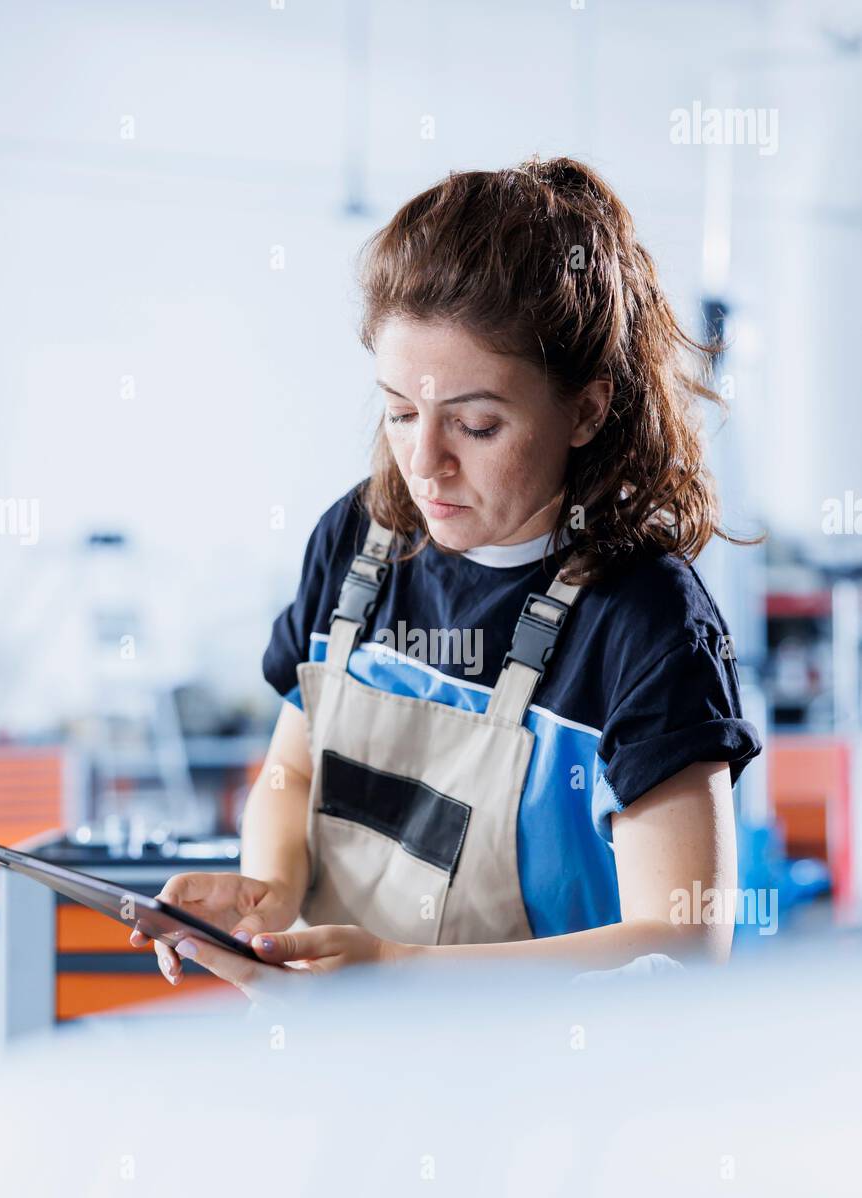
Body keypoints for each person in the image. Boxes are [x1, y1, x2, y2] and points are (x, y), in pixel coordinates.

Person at [131, 155, 761, 1003]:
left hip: (557, 1108)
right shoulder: (357, 548)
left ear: (585, 410)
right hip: (340, 1079)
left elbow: (682, 943)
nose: (425, 464)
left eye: (476, 423)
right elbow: (292, 774)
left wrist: (401, 975)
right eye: (399, 412)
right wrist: (268, 894)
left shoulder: (644, 623)